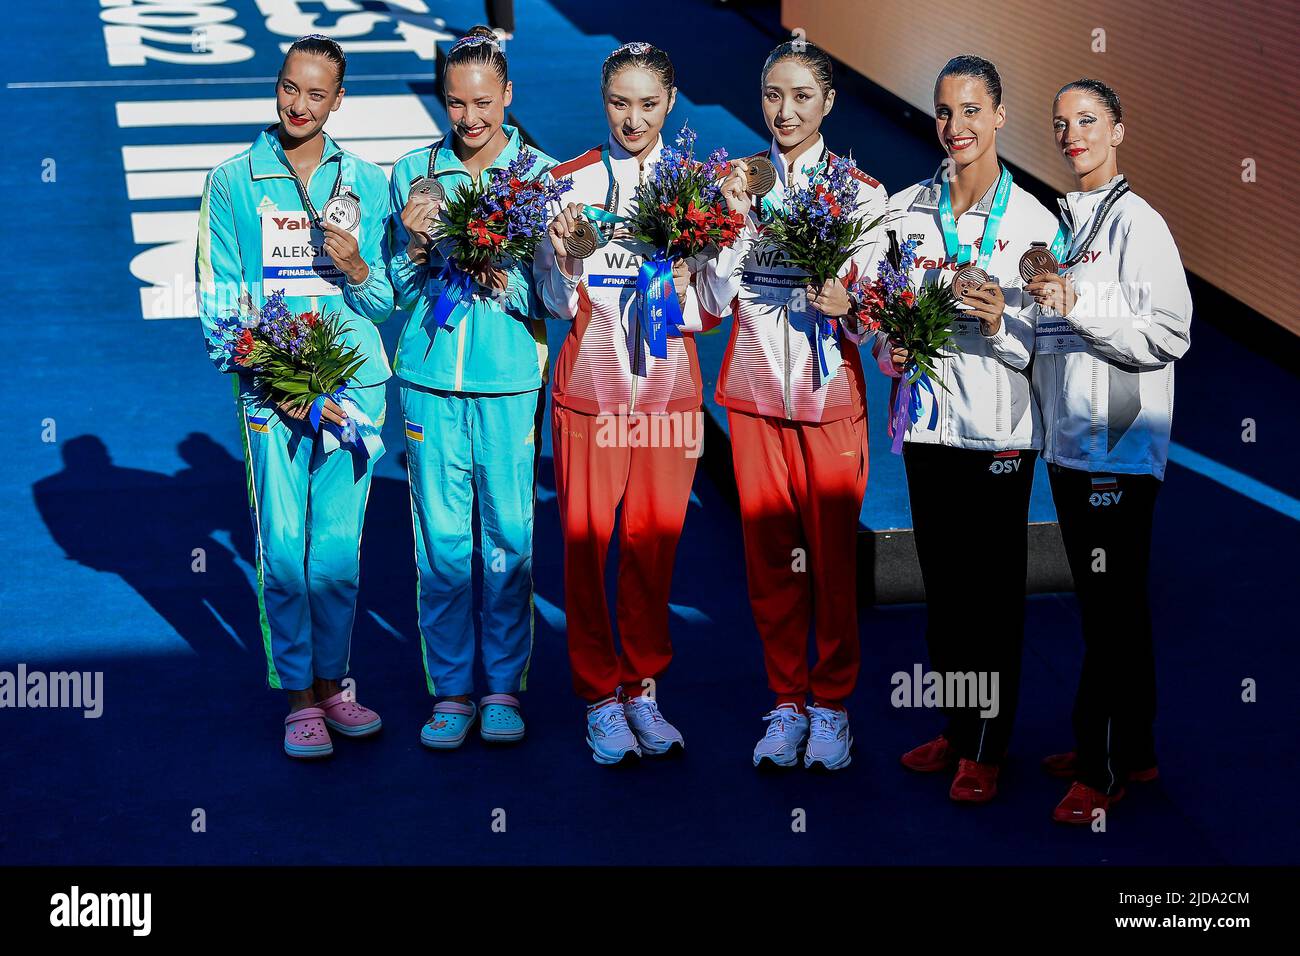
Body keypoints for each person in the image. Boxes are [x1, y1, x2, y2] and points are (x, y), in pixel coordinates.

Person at [196, 35, 394, 759]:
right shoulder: (232, 181)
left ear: (339, 101)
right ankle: (298, 697)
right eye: (290, 88)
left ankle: (336, 682)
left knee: (337, 549)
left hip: (355, 390)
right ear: (277, 86)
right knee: (282, 549)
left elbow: (382, 299)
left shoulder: (369, 184)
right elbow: (218, 297)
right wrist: (270, 376)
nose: (299, 105)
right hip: (268, 394)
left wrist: (360, 265)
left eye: (317, 94)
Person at [698, 39, 887, 771]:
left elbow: (871, 315)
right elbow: (712, 302)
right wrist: (729, 225)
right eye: (774, 95)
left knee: (832, 564)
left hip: (830, 399)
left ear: (829, 103)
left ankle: (832, 706)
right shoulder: (734, 182)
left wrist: (849, 304)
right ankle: (785, 701)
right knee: (771, 559)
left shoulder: (860, 192)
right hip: (750, 399)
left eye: (802, 96)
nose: (785, 111)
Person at [876, 55, 1058, 803]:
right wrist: (889, 343)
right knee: (943, 589)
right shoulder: (906, 208)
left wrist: (1003, 324)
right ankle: (956, 724)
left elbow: (1050, 341)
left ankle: (987, 745)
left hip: (998, 435)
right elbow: (883, 317)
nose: (957, 127)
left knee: (989, 595)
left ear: (1001, 116)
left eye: (973, 111)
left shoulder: (1035, 222)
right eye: (946, 111)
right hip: (927, 429)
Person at [534, 41, 708, 766]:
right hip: (589, 395)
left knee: (653, 546)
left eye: (647, 104)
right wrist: (568, 256)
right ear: (602, 102)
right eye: (618, 103)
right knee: (586, 550)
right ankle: (599, 697)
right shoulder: (565, 182)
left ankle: (642, 688)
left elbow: (714, 302)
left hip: (670, 397)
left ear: (670, 103)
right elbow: (549, 299)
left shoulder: (701, 186)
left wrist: (691, 265)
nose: (632, 119)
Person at [1025, 78, 1192, 823]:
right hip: (1074, 449)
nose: (1073, 135)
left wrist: (1077, 302)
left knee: (1110, 613)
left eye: (1088, 121)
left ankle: (1102, 766)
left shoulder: (1140, 224)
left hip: (1118, 454)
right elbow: (1062, 341)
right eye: (1061, 124)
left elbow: (1169, 331)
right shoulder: (1071, 227)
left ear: (1118, 130)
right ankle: (1139, 748)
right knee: (1110, 610)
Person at [387, 27, 557, 750]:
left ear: (509, 95)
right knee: (442, 545)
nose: (469, 118)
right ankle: (453, 689)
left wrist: (507, 278)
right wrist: (416, 246)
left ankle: (503, 687)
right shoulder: (413, 173)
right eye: (455, 103)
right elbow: (394, 287)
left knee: (509, 538)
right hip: (426, 379)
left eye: (483, 102)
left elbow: (557, 289)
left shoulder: (545, 176)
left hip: (509, 382)